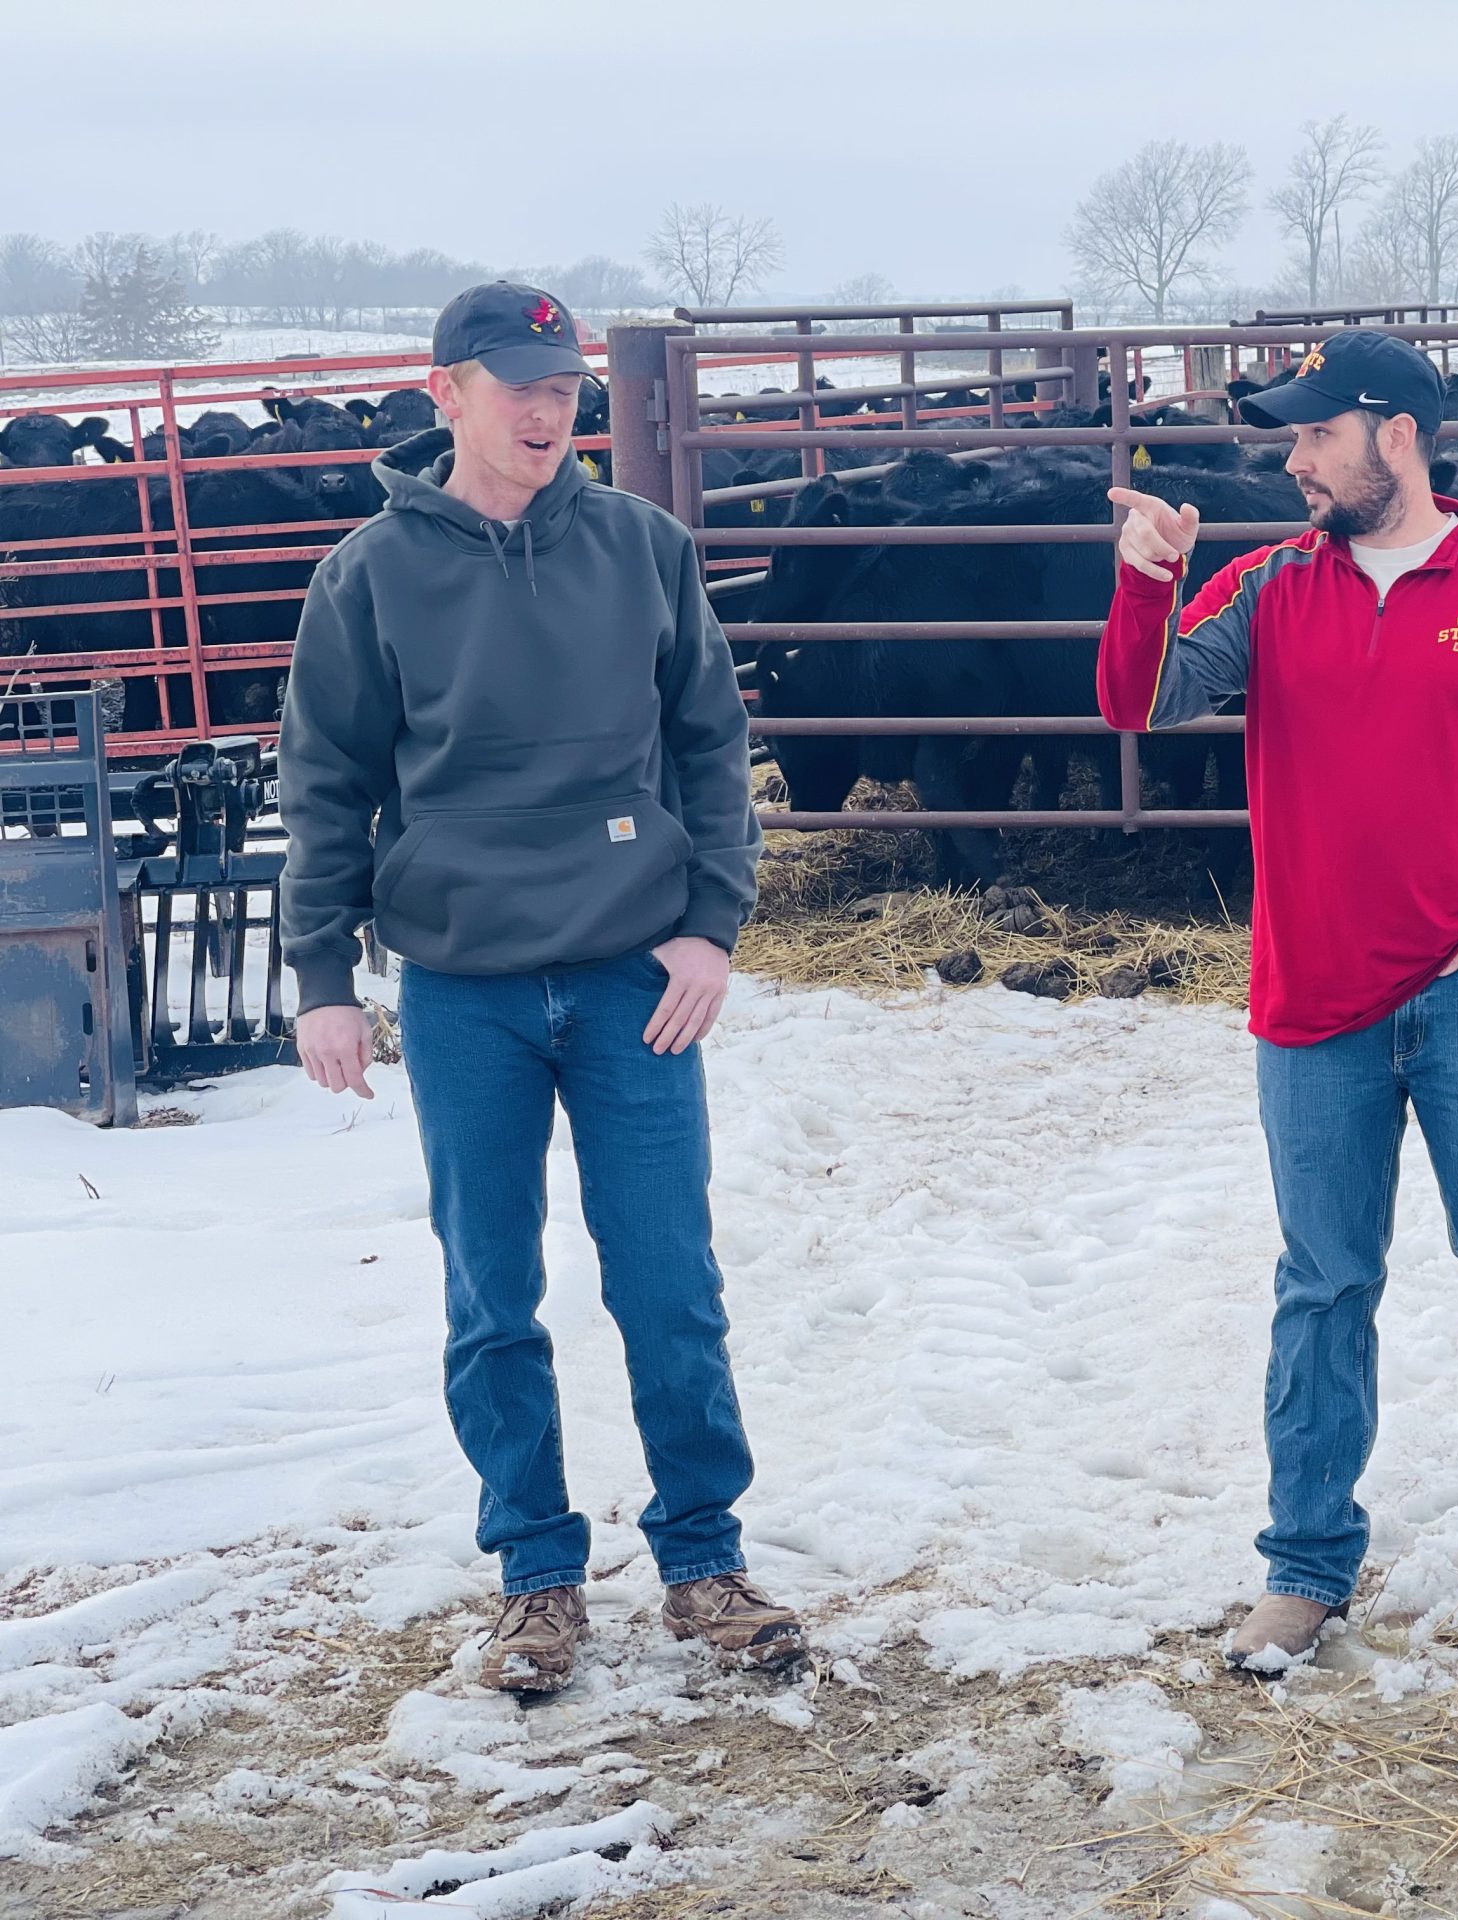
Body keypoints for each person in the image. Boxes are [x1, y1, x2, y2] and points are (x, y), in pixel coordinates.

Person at [1097, 329, 1458, 1668]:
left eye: (1315, 434)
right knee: (1325, 1285)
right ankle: (1304, 1565)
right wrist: (1147, 584)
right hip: (1315, 1000)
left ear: (1394, 435)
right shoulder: (1267, 588)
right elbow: (1141, 705)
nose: (1294, 462)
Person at [279, 281, 801, 1695]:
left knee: (669, 1280)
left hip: (637, 977)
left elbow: (711, 746)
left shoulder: (642, 548)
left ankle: (704, 1558)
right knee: (491, 1292)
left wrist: (711, 926)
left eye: (562, 386)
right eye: (514, 384)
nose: (544, 409)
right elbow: (324, 782)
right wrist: (324, 974)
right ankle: (534, 1576)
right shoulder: (370, 574)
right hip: (465, 988)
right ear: (443, 393)